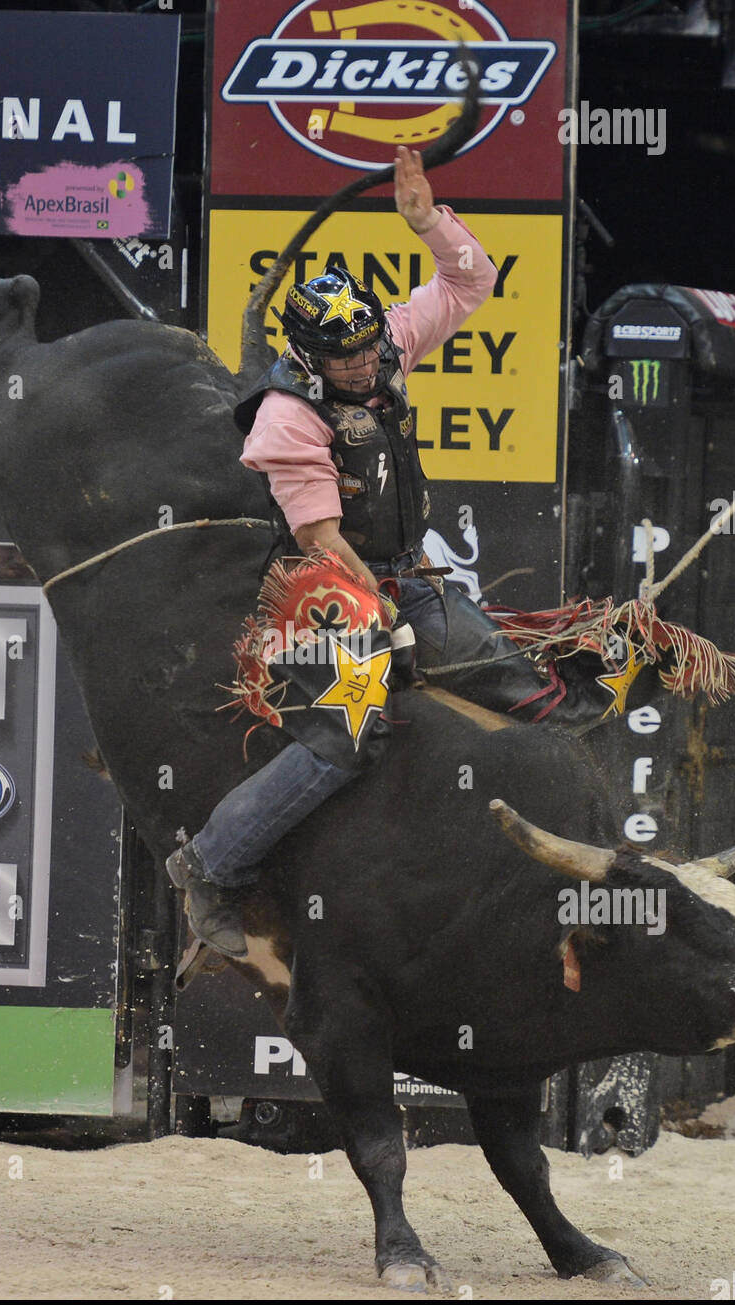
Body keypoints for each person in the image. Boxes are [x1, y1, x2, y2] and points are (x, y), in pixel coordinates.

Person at [166, 147, 628, 959]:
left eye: (370, 347)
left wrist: (429, 223)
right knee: (347, 734)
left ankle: (604, 729)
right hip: (319, 592)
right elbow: (319, 537)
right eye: (344, 356)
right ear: (309, 358)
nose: (365, 361)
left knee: (510, 670)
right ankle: (211, 862)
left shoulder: (382, 352)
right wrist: (379, 615)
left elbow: (469, 284)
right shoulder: (285, 419)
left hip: (398, 576)